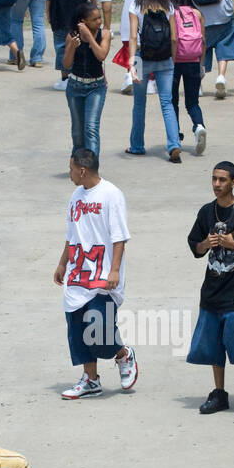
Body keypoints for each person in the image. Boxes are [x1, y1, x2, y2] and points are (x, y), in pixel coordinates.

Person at [54, 149, 137, 398]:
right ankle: (90, 380)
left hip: (103, 277)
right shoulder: (75, 196)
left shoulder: (111, 194)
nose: (69, 174)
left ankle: (123, 355)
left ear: (82, 170)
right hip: (78, 274)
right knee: (77, 328)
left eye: (71, 169)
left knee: (98, 328)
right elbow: (72, 235)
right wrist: (61, 264)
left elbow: (119, 236)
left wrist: (114, 271)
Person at [186, 161, 234, 414]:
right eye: (214, 179)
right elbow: (195, 246)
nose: (217, 184)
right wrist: (205, 245)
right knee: (212, 341)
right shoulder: (207, 212)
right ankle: (219, 393)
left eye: (222, 180)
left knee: (232, 332)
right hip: (212, 287)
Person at [128, 0, 181, 160]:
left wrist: (131, 61)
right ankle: (174, 144)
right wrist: (173, 60)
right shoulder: (169, 7)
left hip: (143, 57)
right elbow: (174, 38)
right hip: (165, 58)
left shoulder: (136, 6)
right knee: (167, 103)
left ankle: (136, 145)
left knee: (139, 103)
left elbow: (134, 36)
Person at [62, 2, 111, 157]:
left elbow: (101, 55)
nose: (99, 22)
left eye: (100, 18)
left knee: (91, 127)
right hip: (75, 86)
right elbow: (66, 64)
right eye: (94, 19)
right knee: (77, 130)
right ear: (83, 21)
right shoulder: (72, 35)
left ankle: (92, 166)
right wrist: (71, 47)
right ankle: (77, 163)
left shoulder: (105, 34)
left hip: (96, 87)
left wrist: (89, 37)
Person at [168, 0, 206, 152]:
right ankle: (199, 126)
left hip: (176, 62)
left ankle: (175, 135)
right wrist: (202, 63)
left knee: (172, 101)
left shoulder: (172, 13)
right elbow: (203, 41)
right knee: (192, 102)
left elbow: (173, 39)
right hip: (194, 60)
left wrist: (172, 60)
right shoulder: (197, 13)